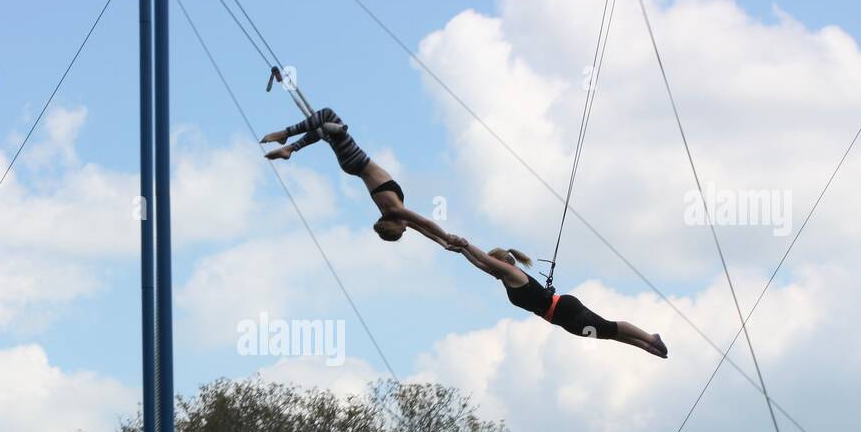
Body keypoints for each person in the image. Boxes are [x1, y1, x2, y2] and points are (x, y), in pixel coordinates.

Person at [261, 107, 457, 247]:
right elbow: (424, 230)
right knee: (325, 129)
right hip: (353, 164)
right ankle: (290, 148)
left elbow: (426, 223)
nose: (407, 229)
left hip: (356, 161)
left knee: (326, 115)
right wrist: (443, 243)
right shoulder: (395, 212)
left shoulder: (396, 211)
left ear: (396, 223)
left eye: (402, 230)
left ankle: (284, 135)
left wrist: (447, 236)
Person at [447, 236, 668, 357]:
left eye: (491, 263)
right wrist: (461, 251)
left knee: (609, 327)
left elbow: (484, 261)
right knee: (607, 334)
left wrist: (466, 244)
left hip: (566, 310)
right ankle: (646, 346)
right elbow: (480, 264)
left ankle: (650, 338)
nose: (488, 268)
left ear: (499, 263)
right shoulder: (505, 278)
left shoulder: (511, 273)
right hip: (561, 318)